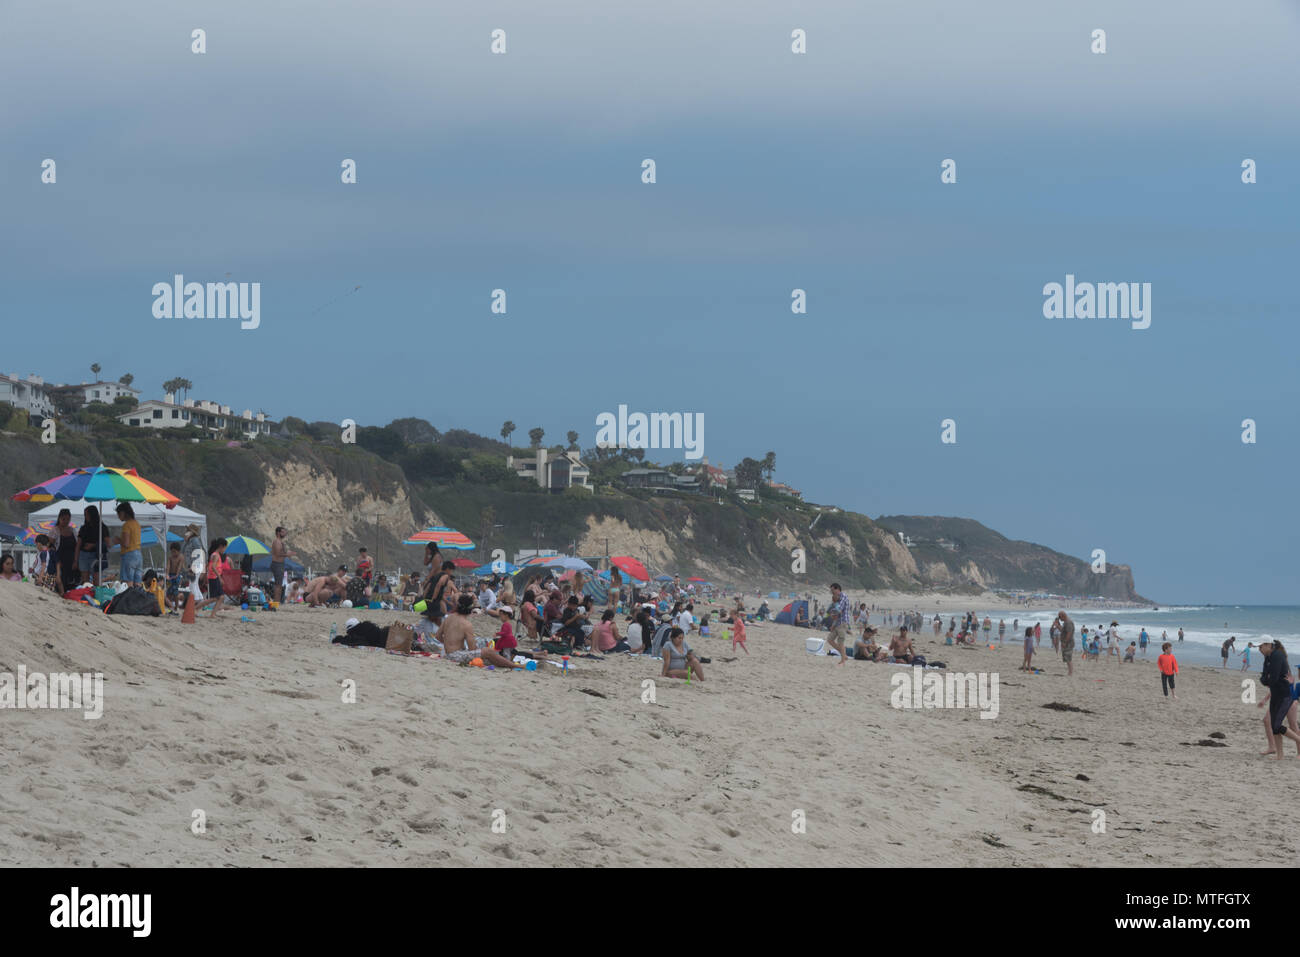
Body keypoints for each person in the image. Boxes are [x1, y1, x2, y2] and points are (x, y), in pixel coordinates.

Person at [440, 595, 522, 668]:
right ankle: (514, 665)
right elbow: (472, 649)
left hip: (447, 654)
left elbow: (438, 636)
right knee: (488, 651)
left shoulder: (448, 617)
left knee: (487, 652)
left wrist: (449, 645)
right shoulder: (466, 624)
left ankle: (505, 662)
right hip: (456, 656)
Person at [1258, 639, 1300, 759]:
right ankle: (1276, 751)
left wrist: (1268, 679)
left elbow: (1274, 680)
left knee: (1291, 726)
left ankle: (1299, 751)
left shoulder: (1279, 658)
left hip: (1289, 698)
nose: (1259, 650)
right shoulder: (1270, 658)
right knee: (1270, 722)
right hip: (1278, 695)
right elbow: (1267, 680)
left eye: (1261, 647)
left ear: (1270, 645)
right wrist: (1265, 699)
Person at [113, 503, 144, 586]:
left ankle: (128, 599)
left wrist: (118, 540)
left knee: (127, 583)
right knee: (137, 583)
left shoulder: (127, 525)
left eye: (118, 514)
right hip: (138, 554)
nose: (118, 516)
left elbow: (126, 543)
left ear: (123, 513)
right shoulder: (137, 524)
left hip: (129, 555)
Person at [77, 505, 106, 588]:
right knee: (85, 581)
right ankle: (87, 595)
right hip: (83, 555)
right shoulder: (83, 528)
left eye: (87, 514)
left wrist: (93, 545)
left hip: (96, 555)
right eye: (85, 515)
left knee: (96, 580)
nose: (86, 517)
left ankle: (96, 596)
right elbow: (78, 545)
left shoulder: (101, 527)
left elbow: (106, 543)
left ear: (93, 515)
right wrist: (76, 560)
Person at [50, 508, 78, 594]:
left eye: (68, 519)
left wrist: (75, 561)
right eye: (63, 519)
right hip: (59, 560)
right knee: (61, 579)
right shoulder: (54, 530)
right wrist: (56, 560)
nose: (65, 521)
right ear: (59, 518)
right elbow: (50, 546)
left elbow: (77, 546)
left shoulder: (73, 530)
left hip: (71, 559)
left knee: (72, 581)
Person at [825, 583, 852, 666]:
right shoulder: (836, 599)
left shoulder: (843, 597)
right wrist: (833, 624)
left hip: (843, 623)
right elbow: (834, 613)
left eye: (833, 590)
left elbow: (839, 610)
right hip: (837, 623)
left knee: (840, 642)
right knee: (830, 639)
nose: (832, 592)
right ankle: (844, 655)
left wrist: (832, 611)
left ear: (837, 589)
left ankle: (843, 661)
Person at [270, 527, 295, 603]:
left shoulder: (280, 542)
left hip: (280, 564)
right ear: (278, 533)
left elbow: (281, 552)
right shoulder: (277, 541)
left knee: (279, 584)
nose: (285, 533)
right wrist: (287, 554)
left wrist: (288, 553)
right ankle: (276, 602)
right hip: (277, 564)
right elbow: (277, 554)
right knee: (278, 585)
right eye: (283, 532)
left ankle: (277, 602)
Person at [206, 538, 230, 618]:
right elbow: (213, 566)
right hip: (214, 577)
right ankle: (211, 614)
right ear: (221, 546)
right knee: (218, 597)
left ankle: (212, 613)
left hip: (212, 577)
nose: (225, 550)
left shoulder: (214, 554)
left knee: (217, 598)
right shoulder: (216, 555)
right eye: (225, 548)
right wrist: (220, 578)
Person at [166, 542, 185, 610]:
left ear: (178, 551)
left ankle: (176, 607)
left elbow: (179, 567)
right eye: (172, 552)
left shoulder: (181, 557)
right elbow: (168, 566)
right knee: (168, 592)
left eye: (174, 552)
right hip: (170, 575)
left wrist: (177, 575)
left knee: (175, 592)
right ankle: (169, 606)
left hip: (176, 576)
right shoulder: (170, 557)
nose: (173, 553)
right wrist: (167, 574)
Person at [1056, 611, 1075, 676]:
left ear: (1063, 616)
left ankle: (1070, 672)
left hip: (1068, 643)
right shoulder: (1065, 623)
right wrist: (1058, 625)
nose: (1059, 618)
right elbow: (1063, 631)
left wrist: (1064, 642)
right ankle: (1070, 672)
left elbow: (1069, 634)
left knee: (1068, 657)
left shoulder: (1068, 622)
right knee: (1066, 658)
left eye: (1060, 617)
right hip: (1067, 642)